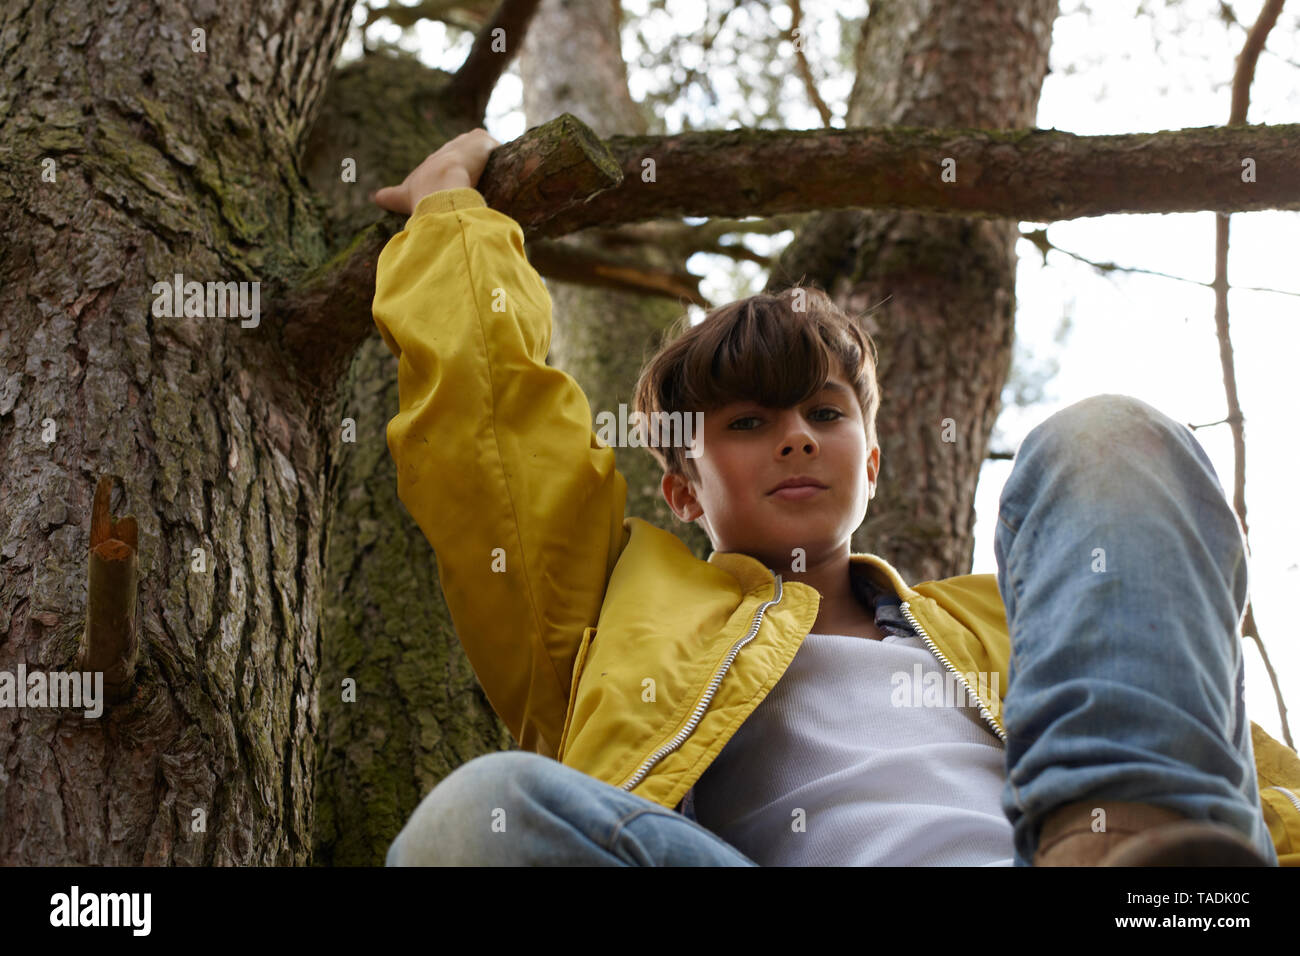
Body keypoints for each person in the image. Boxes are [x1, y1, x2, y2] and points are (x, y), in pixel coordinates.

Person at [370, 129, 1299, 867]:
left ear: (876, 459)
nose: (798, 436)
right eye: (746, 423)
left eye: (824, 411)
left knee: (1107, 436)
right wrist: (452, 214)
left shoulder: (1021, 619)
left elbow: (1242, 773)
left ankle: (1128, 861)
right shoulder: (614, 616)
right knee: (478, 817)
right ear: (683, 492)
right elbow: (496, 432)